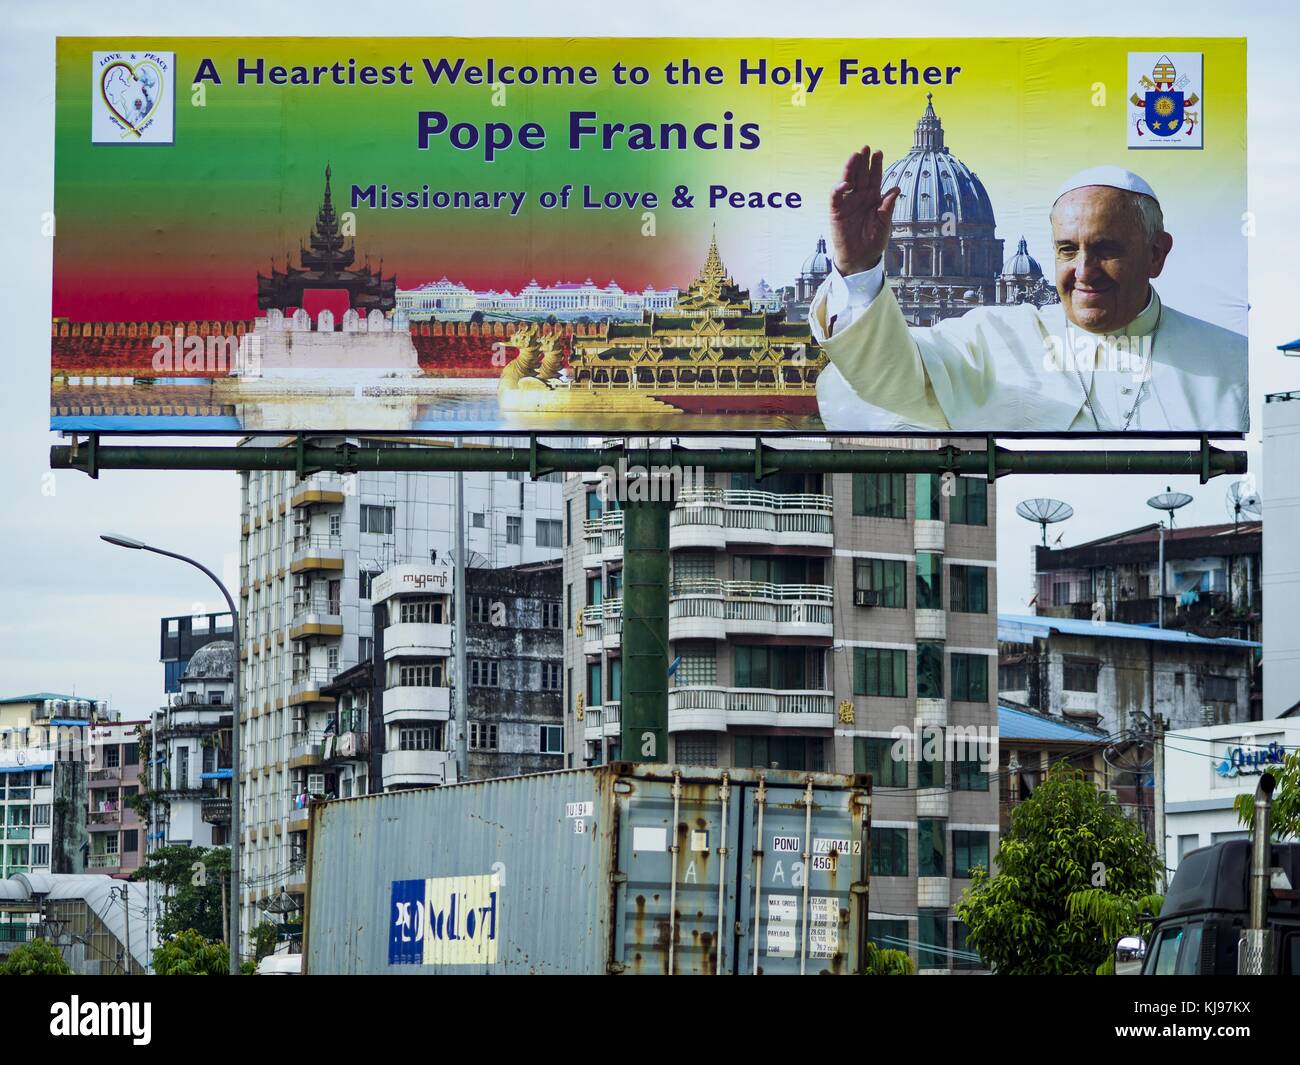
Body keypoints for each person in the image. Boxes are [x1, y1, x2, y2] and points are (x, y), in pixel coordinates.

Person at [809, 147, 1248, 432]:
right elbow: (889, 381)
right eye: (1067, 250)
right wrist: (860, 267)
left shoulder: (1235, 366)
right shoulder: (992, 339)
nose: (1084, 270)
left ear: (1156, 254)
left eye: (1105, 250)